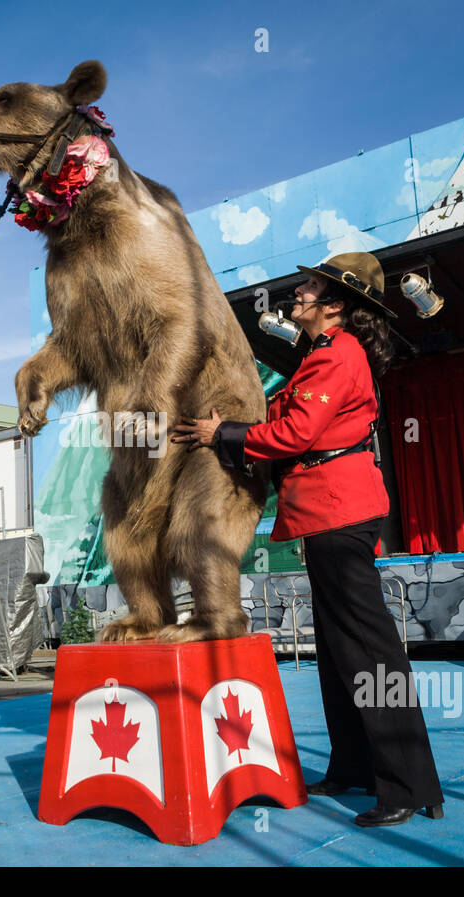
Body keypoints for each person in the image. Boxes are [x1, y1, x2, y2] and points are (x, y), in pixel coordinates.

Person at [171, 251, 444, 828]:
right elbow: (283, 421)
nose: (297, 295)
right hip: (325, 514)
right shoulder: (318, 356)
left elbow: (295, 433)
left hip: (339, 513)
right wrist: (237, 425)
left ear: (336, 305)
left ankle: (407, 785)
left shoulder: (337, 355)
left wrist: (222, 432)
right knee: (340, 651)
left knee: (371, 654)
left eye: (310, 288)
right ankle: (353, 767)